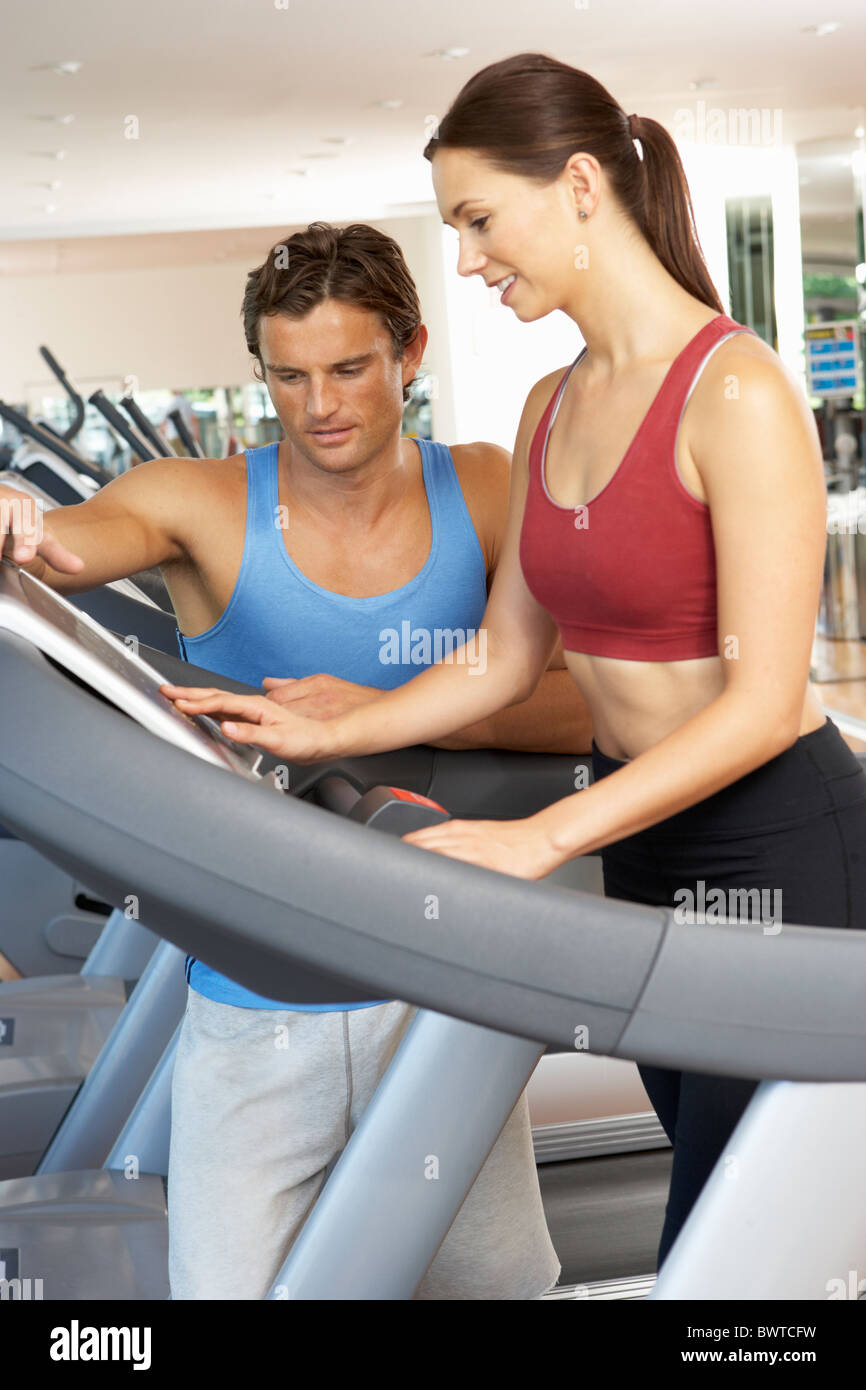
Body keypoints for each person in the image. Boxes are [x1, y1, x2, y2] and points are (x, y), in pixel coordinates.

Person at [162, 51, 866, 1275]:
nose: (472, 256)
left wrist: (544, 836)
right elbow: (500, 656)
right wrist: (341, 727)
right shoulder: (550, 405)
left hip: (777, 844)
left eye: (480, 219)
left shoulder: (735, 392)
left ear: (581, 184)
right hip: (649, 845)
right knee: (725, 1214)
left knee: (736, 1229)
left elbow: (760, 708)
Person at [1, 219, 592, 1299]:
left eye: (349, 368)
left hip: (442, 991)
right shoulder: (201, 501)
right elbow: (66, 542)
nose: (318, 403)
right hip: (253, 1002)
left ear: (411, 354)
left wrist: (387, 713)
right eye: (288, 375)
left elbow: (580, 710)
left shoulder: (487, 489)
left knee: (498, 1289)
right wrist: (17, 520)